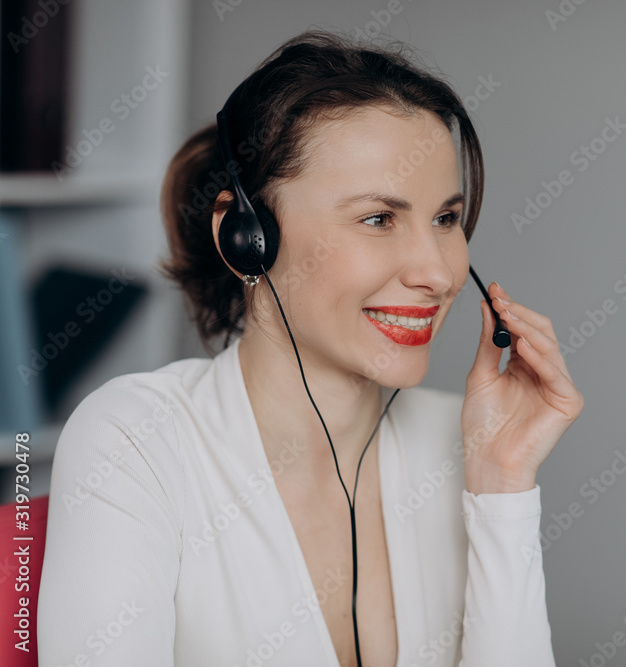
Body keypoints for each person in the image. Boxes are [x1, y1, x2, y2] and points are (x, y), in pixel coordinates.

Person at [36, 28, 584, 667]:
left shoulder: (463, 440)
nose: (438, 273)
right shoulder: (136, 441)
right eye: (378, 219)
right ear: (247, 236)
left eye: (445, 219)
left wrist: (502, 486)